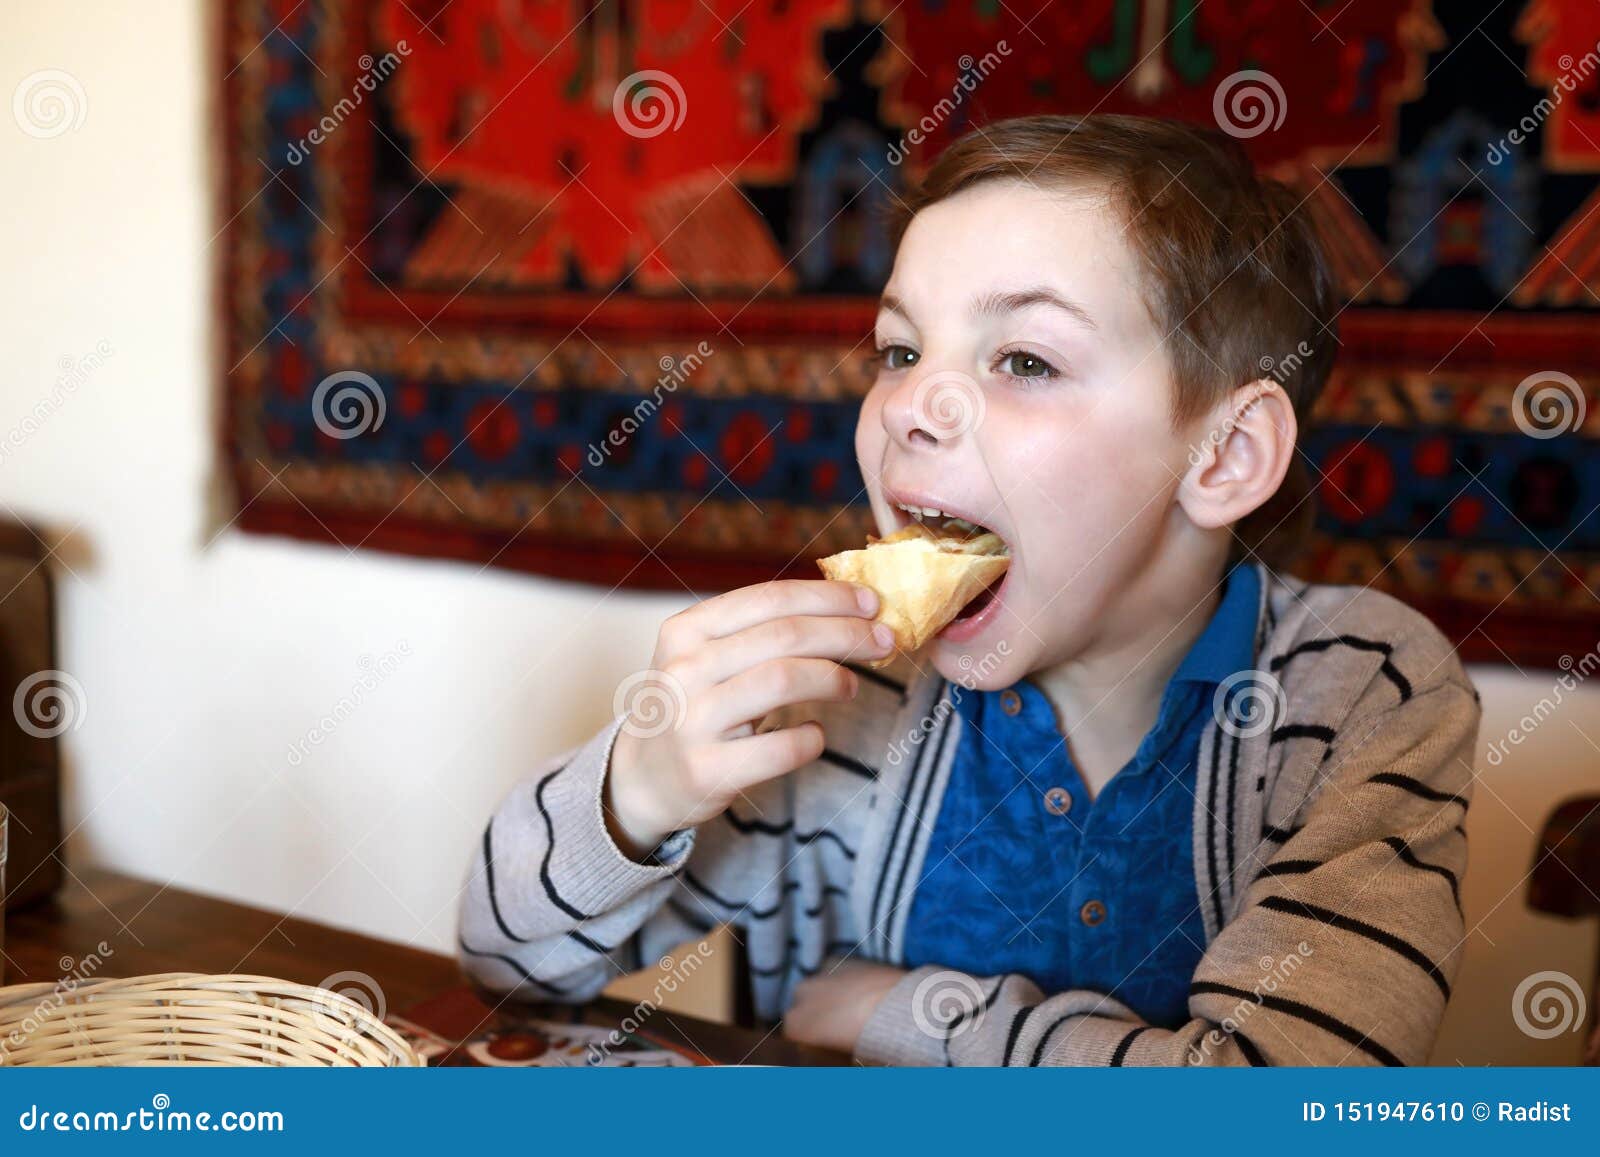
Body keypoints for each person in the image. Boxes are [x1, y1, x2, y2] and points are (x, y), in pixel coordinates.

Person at [457, 114, 1480, 1066]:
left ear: (1222, 455)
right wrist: (632, 793)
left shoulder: (1358, 689)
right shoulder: (843, 706)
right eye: (899, 349)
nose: (912, 403)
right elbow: (508, 968)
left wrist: (907, 1012)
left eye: (1025, 358)